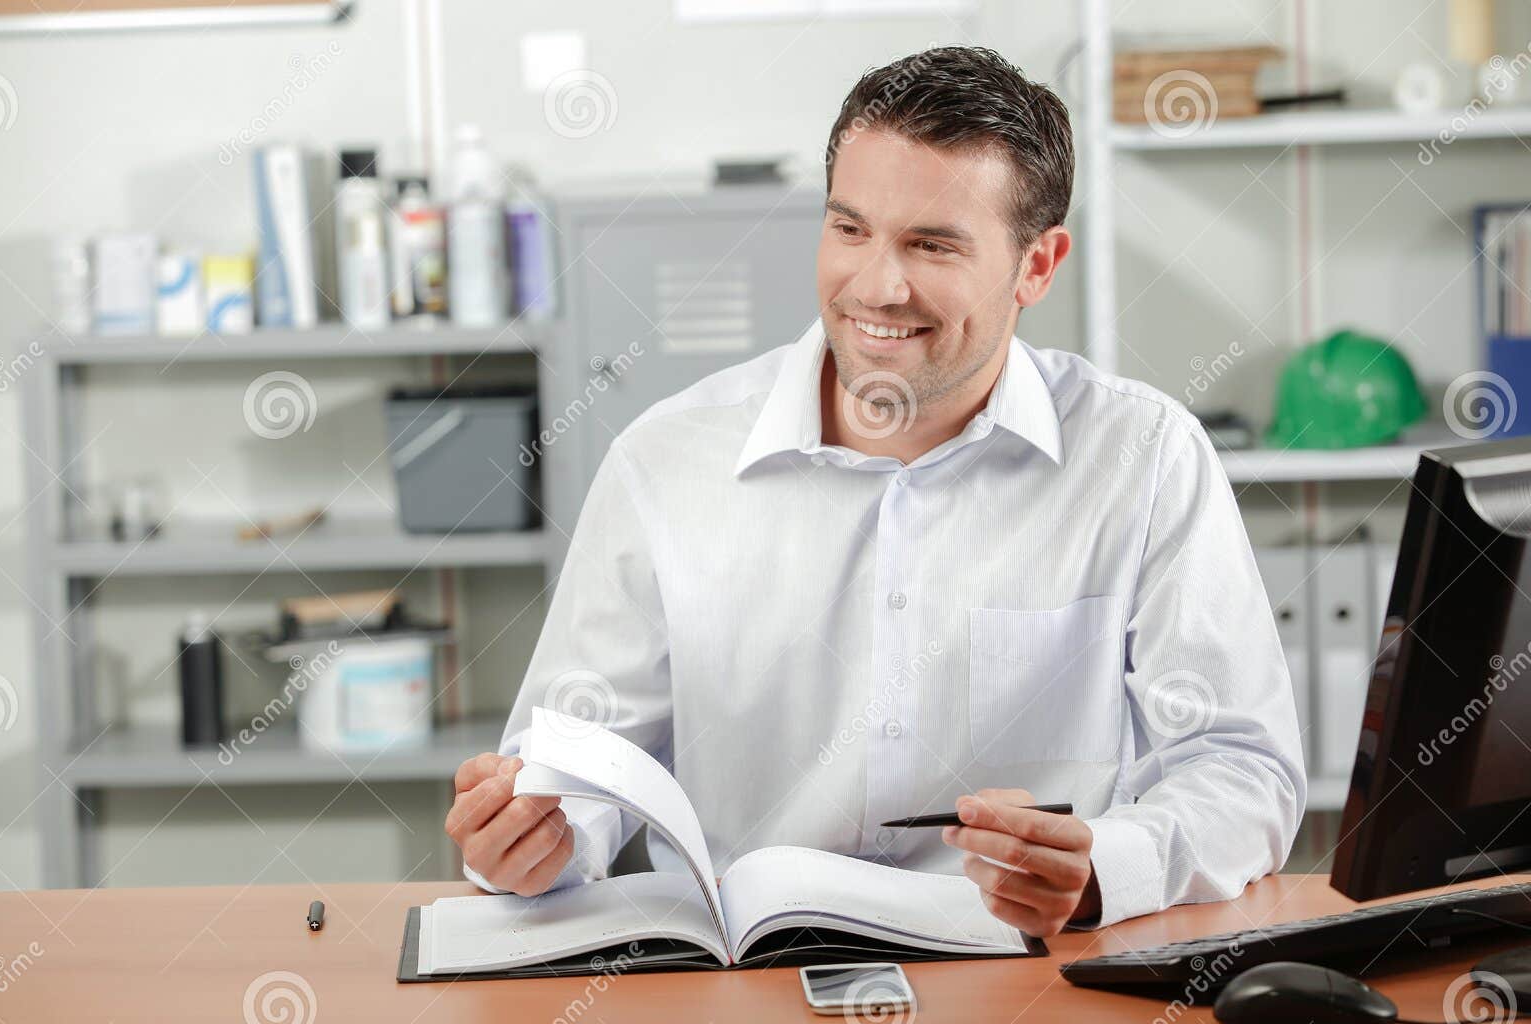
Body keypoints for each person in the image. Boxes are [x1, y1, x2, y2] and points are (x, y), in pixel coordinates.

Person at [446, 45, 1305, 936]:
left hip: (1027, 982)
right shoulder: (665, 459)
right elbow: (584, 764)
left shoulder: (1145, 455)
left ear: (1037, 266)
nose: (877, 286)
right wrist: (538, 833)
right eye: (850, 229)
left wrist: (1106, 867)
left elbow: (1243, 769)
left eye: (932, 245)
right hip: (743, 994)